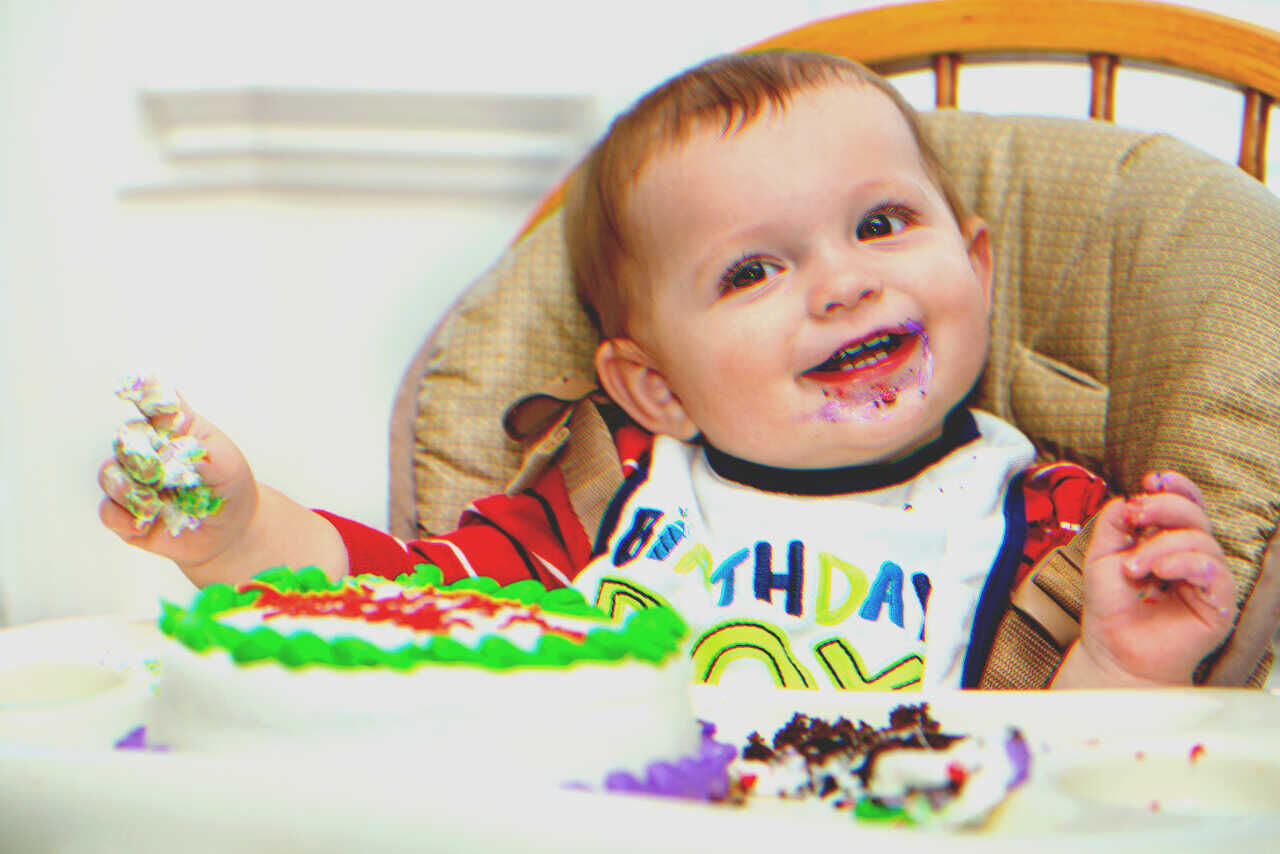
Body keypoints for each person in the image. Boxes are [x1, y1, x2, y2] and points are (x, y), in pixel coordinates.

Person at [98, 51, 1236, 690]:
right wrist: (243, 537)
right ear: (656, 387)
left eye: (882, 223)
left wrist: (1121, 658)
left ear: (976, 270)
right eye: (750, 272)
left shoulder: (1054, 527)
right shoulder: (603, 496)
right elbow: (412, 611)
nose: (839, 284)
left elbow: (1076, 794)